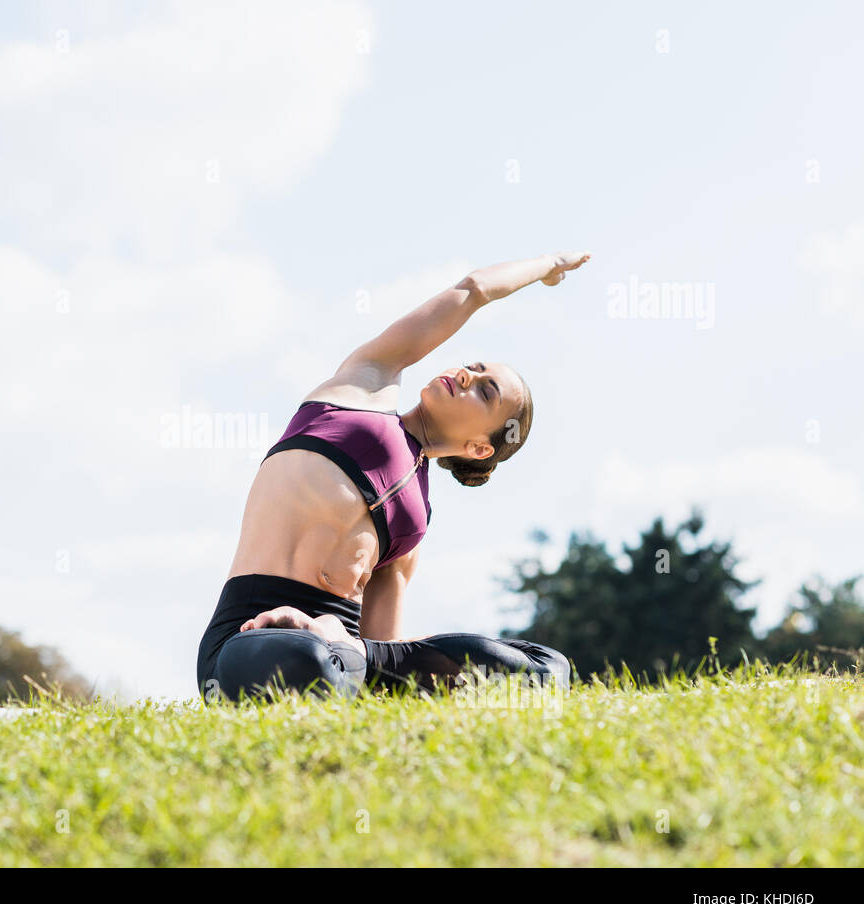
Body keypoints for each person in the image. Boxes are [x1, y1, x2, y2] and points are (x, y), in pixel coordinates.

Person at [196, 251, 591, 703]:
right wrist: (548, 266)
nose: (466, 374)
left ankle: (321, 639)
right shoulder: (366, 383)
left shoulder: (415, 521)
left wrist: (339, 642)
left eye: (485, 390)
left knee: (545, 669)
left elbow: (382, 652)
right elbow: (474, 290)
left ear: (480, 448)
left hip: (338, 654)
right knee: (298, 658)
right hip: (247, 640)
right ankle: (311, 639)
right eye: (476, 367)